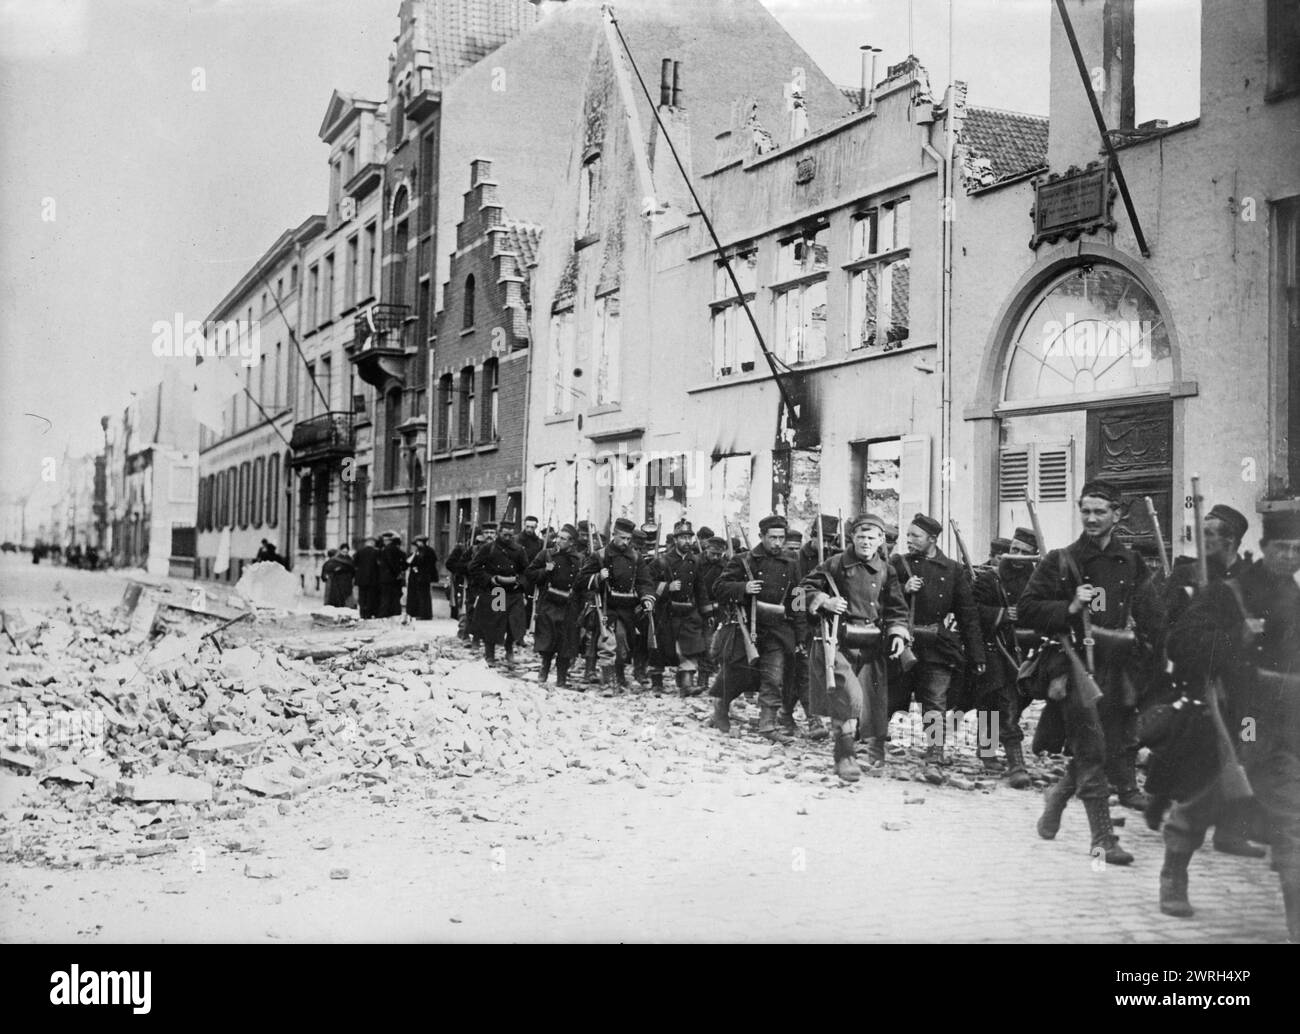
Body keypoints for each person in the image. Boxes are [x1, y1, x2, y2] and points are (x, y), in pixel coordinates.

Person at [1156, 507, 1300, 936]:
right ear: (1263, 548)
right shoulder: (1227, 593)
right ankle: (1173, 872)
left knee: (1293, 820)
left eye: (1298, 550)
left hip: (1281, 727)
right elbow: (1179, 642)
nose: (1290, 557)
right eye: (1282, 548)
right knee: (1204, 802)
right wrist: (1234, 639)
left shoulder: (1296, 600)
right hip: (1233, 722)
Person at [1020, 479, 1164, 866]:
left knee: (1106, 745)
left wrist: (1152, 658)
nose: (1092, 518)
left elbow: (1152, 616)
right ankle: (1103, 840)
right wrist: (1068, 606)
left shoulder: (1131, 562)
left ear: (1117, 515)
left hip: (1116, 668)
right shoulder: (1061, 560)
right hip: (1073, 666)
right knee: (1092, 749)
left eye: (1100, 511)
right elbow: (1028, 608)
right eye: (1086, 510)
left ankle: (1057, 797)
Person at [799, 513, 911, 780]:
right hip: (836, 642)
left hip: (872, 645)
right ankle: (846, 756)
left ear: (881, 540)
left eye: (872, 537)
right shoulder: (834, 563)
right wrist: (823, 600)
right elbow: (797, 594)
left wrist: (897, 632)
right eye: (861, 536)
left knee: (871, 704)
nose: (865, 542)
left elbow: (897, 608)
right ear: (852, 537)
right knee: (849, 696)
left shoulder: (887, 570)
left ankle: (867, 753)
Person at [890, 513, 986, 784]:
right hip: (902, 640)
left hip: (936, 644)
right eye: (907, 535)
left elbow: (968, 615)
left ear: (932, 539)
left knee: (935, 700)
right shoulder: (898, 563)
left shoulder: (953, 570)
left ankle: (935, 753)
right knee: (889, 693)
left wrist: (976, 654)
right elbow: (880, 595)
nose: (909, 541)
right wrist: (902, 587)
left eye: (915, 536)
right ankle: (871, 746)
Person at [714, 515, 803, 741]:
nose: (777, 543)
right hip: (748, 628)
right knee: (736, 674)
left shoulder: (793, 562)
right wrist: (743, 587)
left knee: (774, 676)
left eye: (781, 538)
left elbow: (798, 597)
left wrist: (801, 633)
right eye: (772, 538)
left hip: (778, 630)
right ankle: (721, 709)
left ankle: (768, 726)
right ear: (761, 536)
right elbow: (719, 588)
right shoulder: (744, 561)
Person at [970, 536, 1031, 788]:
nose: (1015, 555)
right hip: (993, 649)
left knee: (1005, 703)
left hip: (1024, 652)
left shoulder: (1037, 581)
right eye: (1013, 549)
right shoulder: (989, 579)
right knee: (1002, 701)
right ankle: (1016, 763)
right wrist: (1002, 614)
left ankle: (986, 750)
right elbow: (971, 611)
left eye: (1023, 551)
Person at [579, 517, 655, 691]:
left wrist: (647, 598)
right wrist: (598, 577)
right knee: (608, 643)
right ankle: (608, 682)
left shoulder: (635, 557)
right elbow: (581, 581)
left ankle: (619, 677)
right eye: (622, 538)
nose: (625, 542)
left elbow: (644, 581)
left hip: (628, 609)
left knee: (622, 645)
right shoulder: (600, 555)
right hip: (607, 606)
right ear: (614, 535)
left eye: (628, 539)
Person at [649, 519, 711, 695]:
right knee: (660, 647)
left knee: (691, 646)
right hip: (666, 611)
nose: (686, 541)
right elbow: (646, 583)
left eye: (689, 537)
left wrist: (707, 611)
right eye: (682, 538)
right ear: (675, 540)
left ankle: (686, 684)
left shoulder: (695, 562)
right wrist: (667, 587)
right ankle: (657, 683)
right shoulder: (662, 561)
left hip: (688, 610)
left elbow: (700, 588)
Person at [523, 524, 584, 687]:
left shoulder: (579, 559)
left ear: (571, 542)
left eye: (564, 539)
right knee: (548, 640)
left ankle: (562, 678)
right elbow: (529, 574)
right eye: (558, 537)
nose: (559, 541)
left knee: (566, 643)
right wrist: (545, 571)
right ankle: (544, 669)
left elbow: (583, 583)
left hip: (569, 605)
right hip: (549, 603)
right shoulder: (546, 555)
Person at [468, 520, 529, 666]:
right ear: (499, 533)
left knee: (513, 623)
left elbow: (526, 571)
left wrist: (520, 583)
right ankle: (490, 654)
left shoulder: (519, 550)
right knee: (493, 624)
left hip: (513, 593)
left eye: (510, 534)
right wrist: (490, 579)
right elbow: (474, 568)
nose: (507, 537)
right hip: (497, 592)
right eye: (504, 534)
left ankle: (509, 649)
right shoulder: (489, 548)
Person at [406, 535, 439, 620]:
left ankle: (424, 614)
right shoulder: (416, 551)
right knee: (414, 595)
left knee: (423, 595)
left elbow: (430, 564)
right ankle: (414, 612)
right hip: (414, 576)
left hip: (423, 576)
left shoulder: (429, 551)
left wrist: (420, 570)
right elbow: (409, 562)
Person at [353, 536, 380, 619]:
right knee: (371, 597)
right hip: (373, 579)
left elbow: (355, 564)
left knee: (362, 597)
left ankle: (362, 613)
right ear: (373, 543)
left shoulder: (359, 552)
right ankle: (369, 613)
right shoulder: (377, 552)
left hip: (361, 579)